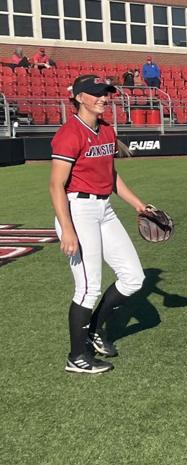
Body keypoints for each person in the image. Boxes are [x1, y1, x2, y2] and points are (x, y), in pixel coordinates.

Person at [49, 74, 151, 374]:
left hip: (103, 208)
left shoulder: (106, 129)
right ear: (80, 98)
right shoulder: (69, 134)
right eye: (97, 93)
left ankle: (93, 330)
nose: (104, 97)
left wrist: (138, 204)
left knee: (133, 277)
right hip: (77, 210)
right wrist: (67, 229)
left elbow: (111, 175)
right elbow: (56, 185)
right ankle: (76, 357)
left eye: (106, 92)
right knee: (88, 288)